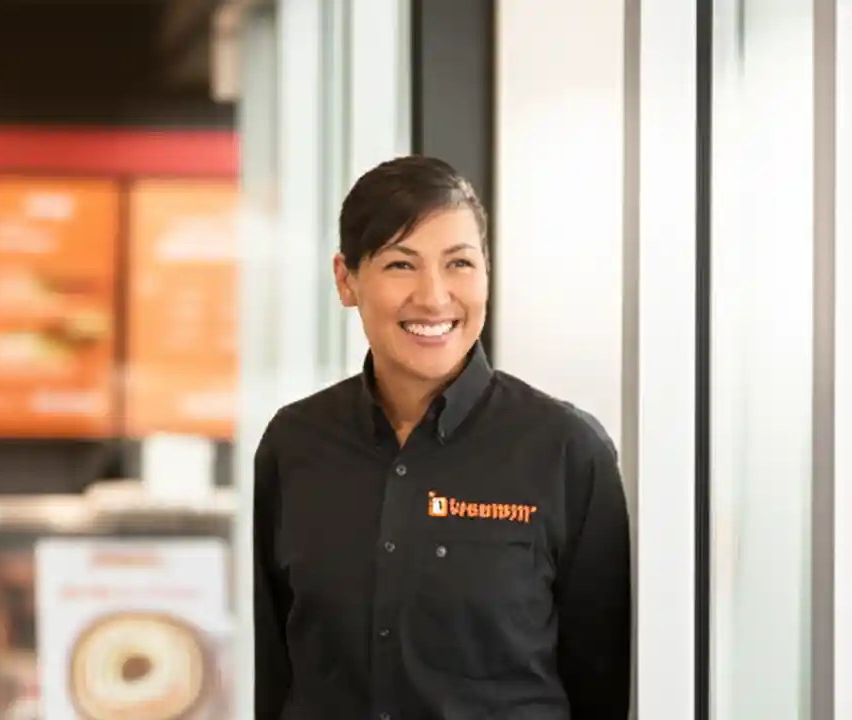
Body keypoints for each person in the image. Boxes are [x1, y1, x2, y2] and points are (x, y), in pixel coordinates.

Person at [253, 155, 631, 719]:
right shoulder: (294, 445)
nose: (434, 297)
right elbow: (279, 675)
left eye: (459, 263)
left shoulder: (567, 452)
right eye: (401, 265)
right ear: (346, 279)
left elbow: (601, 685)